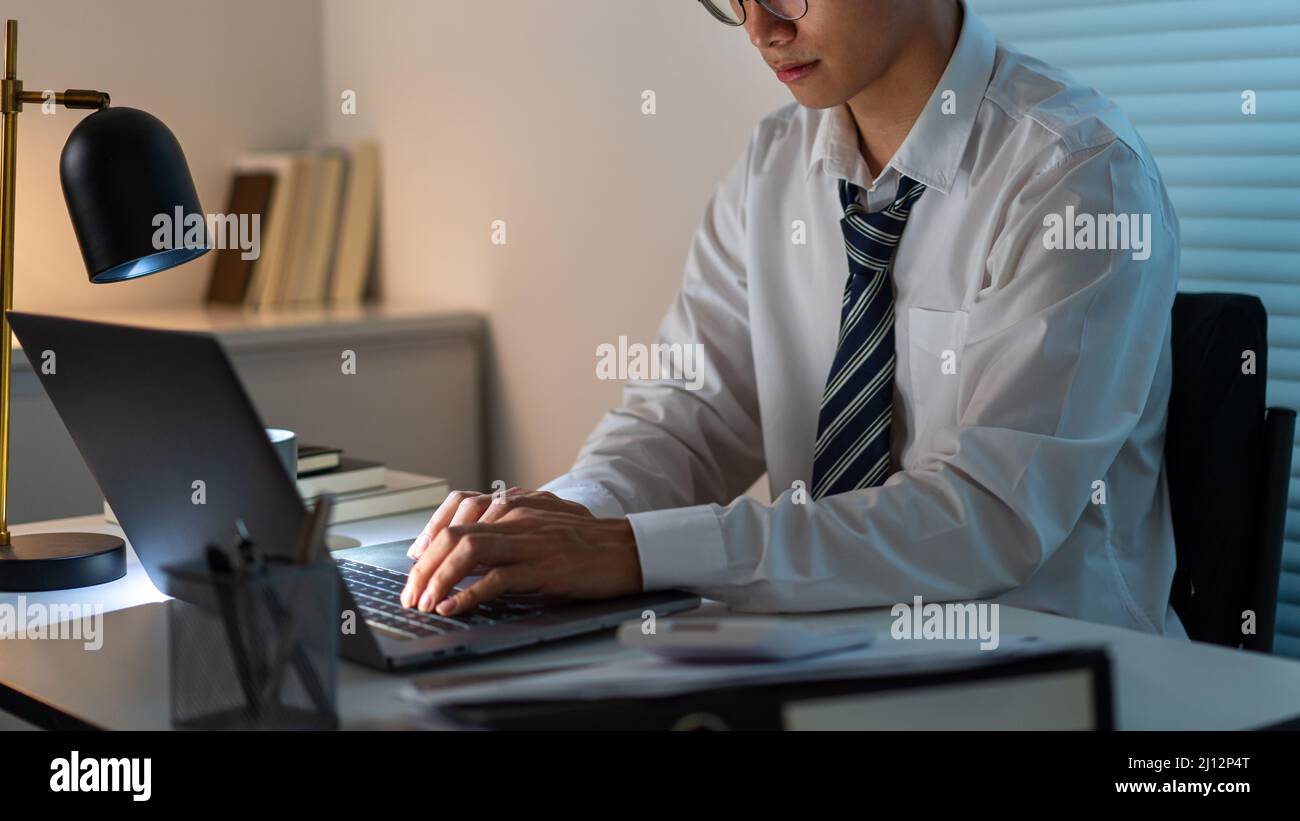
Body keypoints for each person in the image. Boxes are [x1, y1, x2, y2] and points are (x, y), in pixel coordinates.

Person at [400, 0, 1183, 637]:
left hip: (1051, 664)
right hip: (823, 650)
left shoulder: (1079, 176)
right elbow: (686, 421)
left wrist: (634, 553)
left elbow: (987, 514)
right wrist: (562, 519)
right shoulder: (773, 164)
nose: (762, 27)